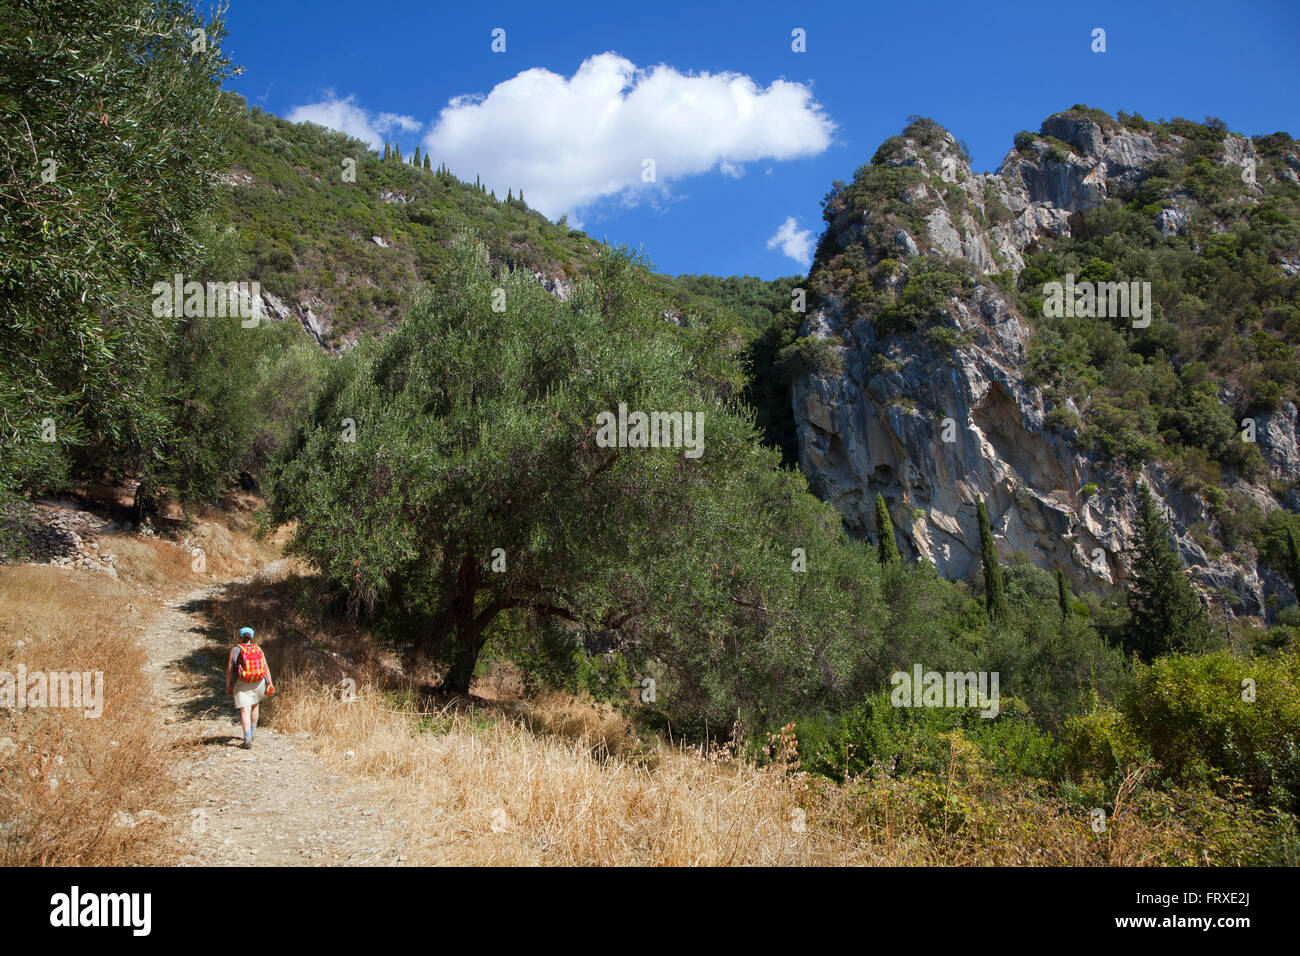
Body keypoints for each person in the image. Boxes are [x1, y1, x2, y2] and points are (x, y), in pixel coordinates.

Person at [226, 626, 274, 749]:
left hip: (242, 682)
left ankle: (247, 738)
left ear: (240, 637)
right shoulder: (258, 649)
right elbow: (265, 668)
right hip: (258, 682)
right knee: (255, 706)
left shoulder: (236, 649)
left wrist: (228, 685)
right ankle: (252, 733)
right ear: (251, 637)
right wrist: (270, 683)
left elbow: (230, 671)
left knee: (245, 710)